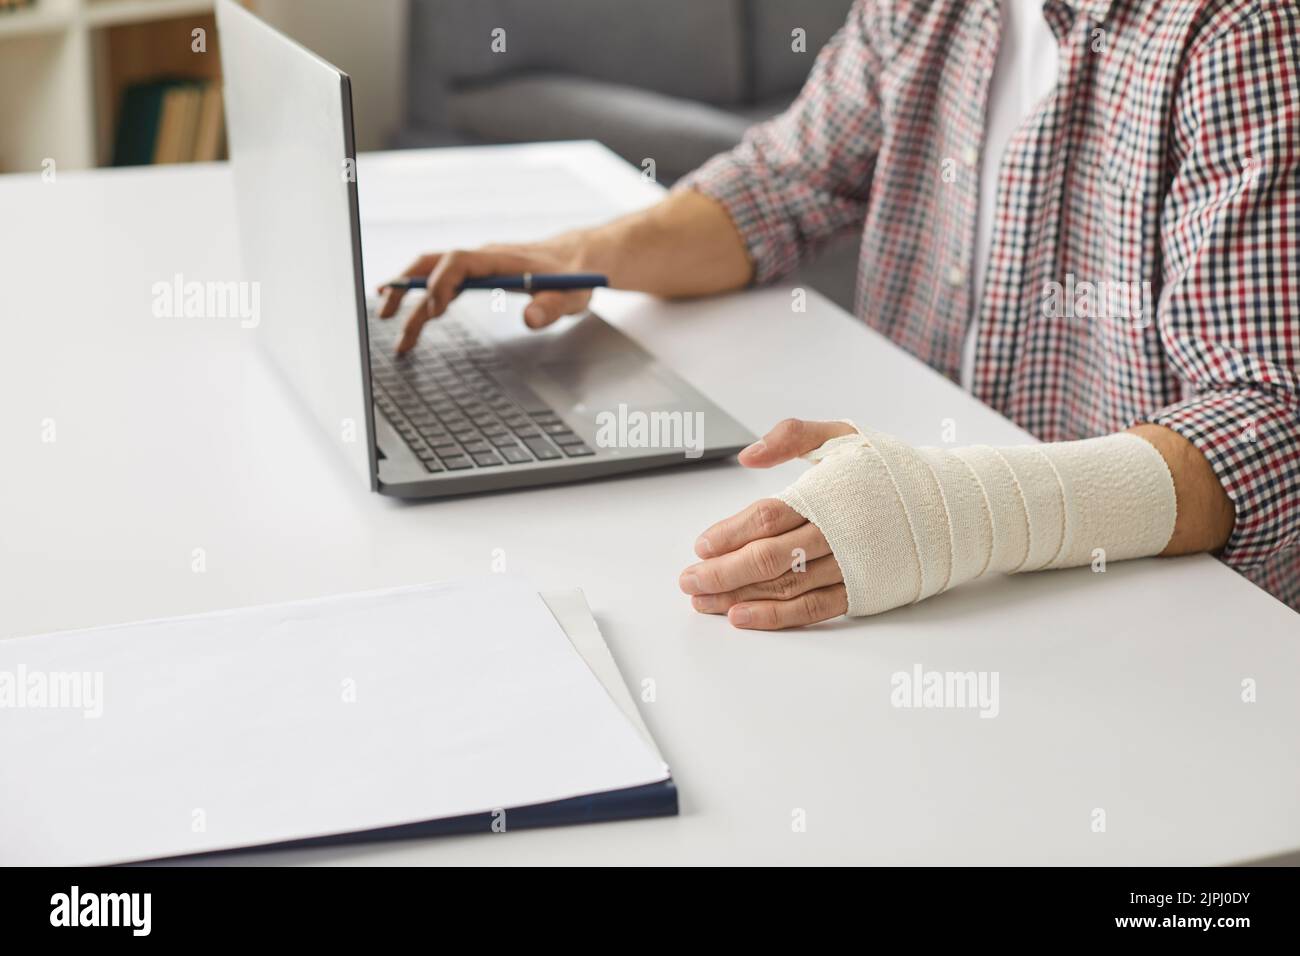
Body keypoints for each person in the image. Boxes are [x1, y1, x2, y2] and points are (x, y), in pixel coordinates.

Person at [379, 0, 1299, 627]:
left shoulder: (1243, 30)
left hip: (1139, 604)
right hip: (943, 567)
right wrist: (580, 255)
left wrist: (954, 512)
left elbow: (1273, 422)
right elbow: (791, 178)